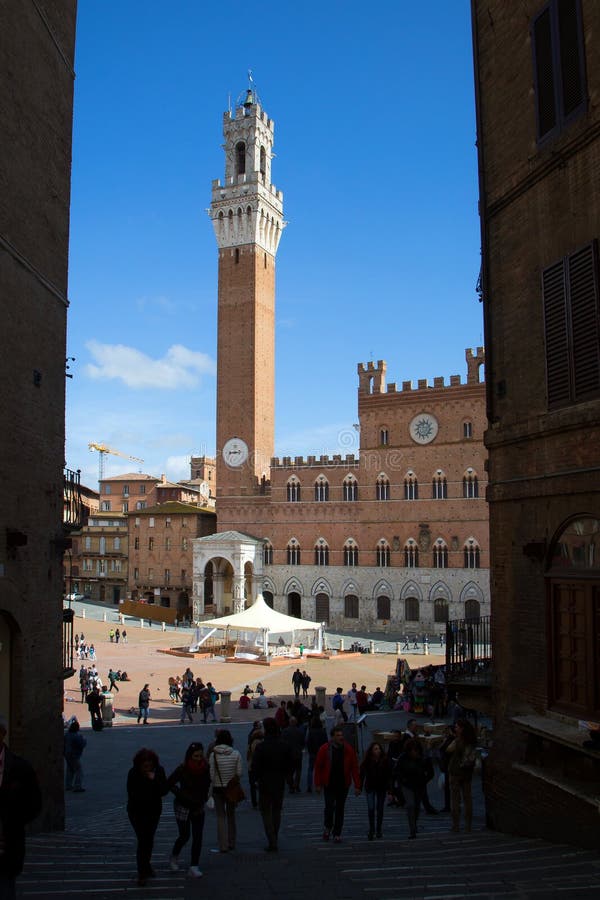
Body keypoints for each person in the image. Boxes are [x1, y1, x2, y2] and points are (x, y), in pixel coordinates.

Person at [0, 714, 42, 899]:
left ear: (2, 733)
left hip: (7, 847)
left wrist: (12, 822)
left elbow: (34, 804)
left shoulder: (20, 768)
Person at [167, 742, 210, 878]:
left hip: (198, 806)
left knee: (198, 837)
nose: (198, 758)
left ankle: (194, 866)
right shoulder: (183, 769)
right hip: (183, 806)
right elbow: (170, 783)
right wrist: (181, 795)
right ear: (189, 756)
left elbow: (208, 783)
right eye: (195, 756)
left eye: (200, 755)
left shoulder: (205, 767)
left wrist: (206, 797)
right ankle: (174, 855)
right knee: (184, 836)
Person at [126, 748, 167, 887]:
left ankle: (146, 866)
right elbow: (132, 794)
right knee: (143, 840)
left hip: (153, 811)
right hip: (137, 812)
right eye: (144, 766)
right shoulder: (133, 773)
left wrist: (154, 780)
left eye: (149, 766)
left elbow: (163, 791)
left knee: (148, 839)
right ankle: (142, 872)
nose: (147, 769)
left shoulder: (159, 771)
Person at [251, 717, 293, 852]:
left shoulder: (261, 747)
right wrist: (287, 778)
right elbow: (288, 765)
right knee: (276, 811)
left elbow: (255, 766)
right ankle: (274, 835)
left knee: (265, 812)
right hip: (279, 782)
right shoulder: (284, 745)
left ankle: (272, 839)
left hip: (264, 783)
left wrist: (255, 780)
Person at [314, 725, 361, 842]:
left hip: (343, 784)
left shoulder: (348, 749)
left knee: (340, 808)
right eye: (338, 735)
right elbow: (318, 767)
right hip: (329, 783)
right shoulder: (324, 749)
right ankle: (328, 827)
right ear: (332, 737)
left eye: (341, 735)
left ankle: (337, 833)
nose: (341, 737)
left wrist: (357, 785)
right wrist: (318, 784)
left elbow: (354, 768)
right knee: (329, 807)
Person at [209, 729, 242, 853]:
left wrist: (210, 791)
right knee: (231, 815)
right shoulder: (236, 754)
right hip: (231, 788)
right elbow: (239, 773)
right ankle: (232, 842)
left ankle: (223, 845)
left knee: (220, 817)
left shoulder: (214, 755)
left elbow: (211, 775)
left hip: (218, 788)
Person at [446, 718, 477, 833]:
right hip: (467, 772)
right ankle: (468, 826)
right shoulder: (472, 740)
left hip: (456, 772)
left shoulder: (458, 741)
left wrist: (453, 738)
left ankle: (456, 825)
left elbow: (448, 750)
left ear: (462, 729)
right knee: (468, 799)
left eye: (457, 727)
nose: (455, 728)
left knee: (455, 800)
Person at [397, 737, 428, 839]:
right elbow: (397, 771)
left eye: (416, 750)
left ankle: (414, 823)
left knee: (417, 807)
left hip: (419, 785)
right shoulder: (403, 758)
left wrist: (425, 780)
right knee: (410, 805)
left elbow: (430, 772)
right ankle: (412, 830)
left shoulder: (423, 758)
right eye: (412, 750)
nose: (414, 752)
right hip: (407, 785)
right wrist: (402, 780)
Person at [360, 741, 391, 839]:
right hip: (370, 787)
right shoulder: (367, 761)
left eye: (379, 749)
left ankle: (378, 829)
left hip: (381, 787)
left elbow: (388, 776)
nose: (378, 751)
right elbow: (362, 775)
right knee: (371, 808)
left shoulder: (385, 760)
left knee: (380, 809)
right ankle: (372, 829)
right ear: (371, 751)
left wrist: (390, 791)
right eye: (375, 749)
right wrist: (359, 787)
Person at [280, 717, 305, 793]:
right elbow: (303, 743)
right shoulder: (300, 731)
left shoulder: (284, 731)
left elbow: (282, 743)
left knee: (289, 772)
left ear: (289, 722)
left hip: (288, 755)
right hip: (298, 754)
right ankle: (296, 785)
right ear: (296, 722)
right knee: (298, 771)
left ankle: (291, 786)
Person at [305, 714, 328, 793]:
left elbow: (308, 742)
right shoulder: (323, 731)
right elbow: (326, 742)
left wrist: (310, 751)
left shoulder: (311, 731)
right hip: (321, 753)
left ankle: (309, 786)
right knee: (321, 769)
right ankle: (320, 784)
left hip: (313, 753)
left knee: (310, 769)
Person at [64, 719, 86, 792]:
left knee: (70, 770)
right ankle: (77, 786)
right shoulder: (76, 736)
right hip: (74, 755)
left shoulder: (67, 735)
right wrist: (84, 739)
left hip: (67, 754)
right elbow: (82, 744)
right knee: (79, 771)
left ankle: (68, 785)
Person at [246, 721, 264, 808]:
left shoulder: (250, 744)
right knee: (261, 784)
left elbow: (247, 756)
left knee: (252, 785)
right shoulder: (262, 744)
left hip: (251, 766)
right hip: (260, 766)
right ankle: (260, 801)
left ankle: (254, 802)